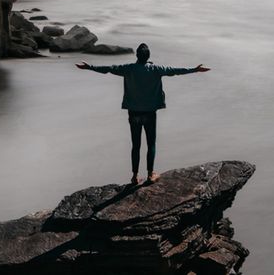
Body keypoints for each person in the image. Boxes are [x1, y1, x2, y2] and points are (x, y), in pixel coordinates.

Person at [76, 43, 210, 185]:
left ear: (137, 56)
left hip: (133, 112)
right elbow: (175, 71)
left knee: (136, 145)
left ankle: (134, 176)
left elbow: (108, 69)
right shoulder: (156, 69)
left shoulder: (128, 69)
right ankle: (150, 174)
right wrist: (195, 69)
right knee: (151, 143)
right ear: (148, 57)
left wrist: (89, 67)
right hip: (150, 112)